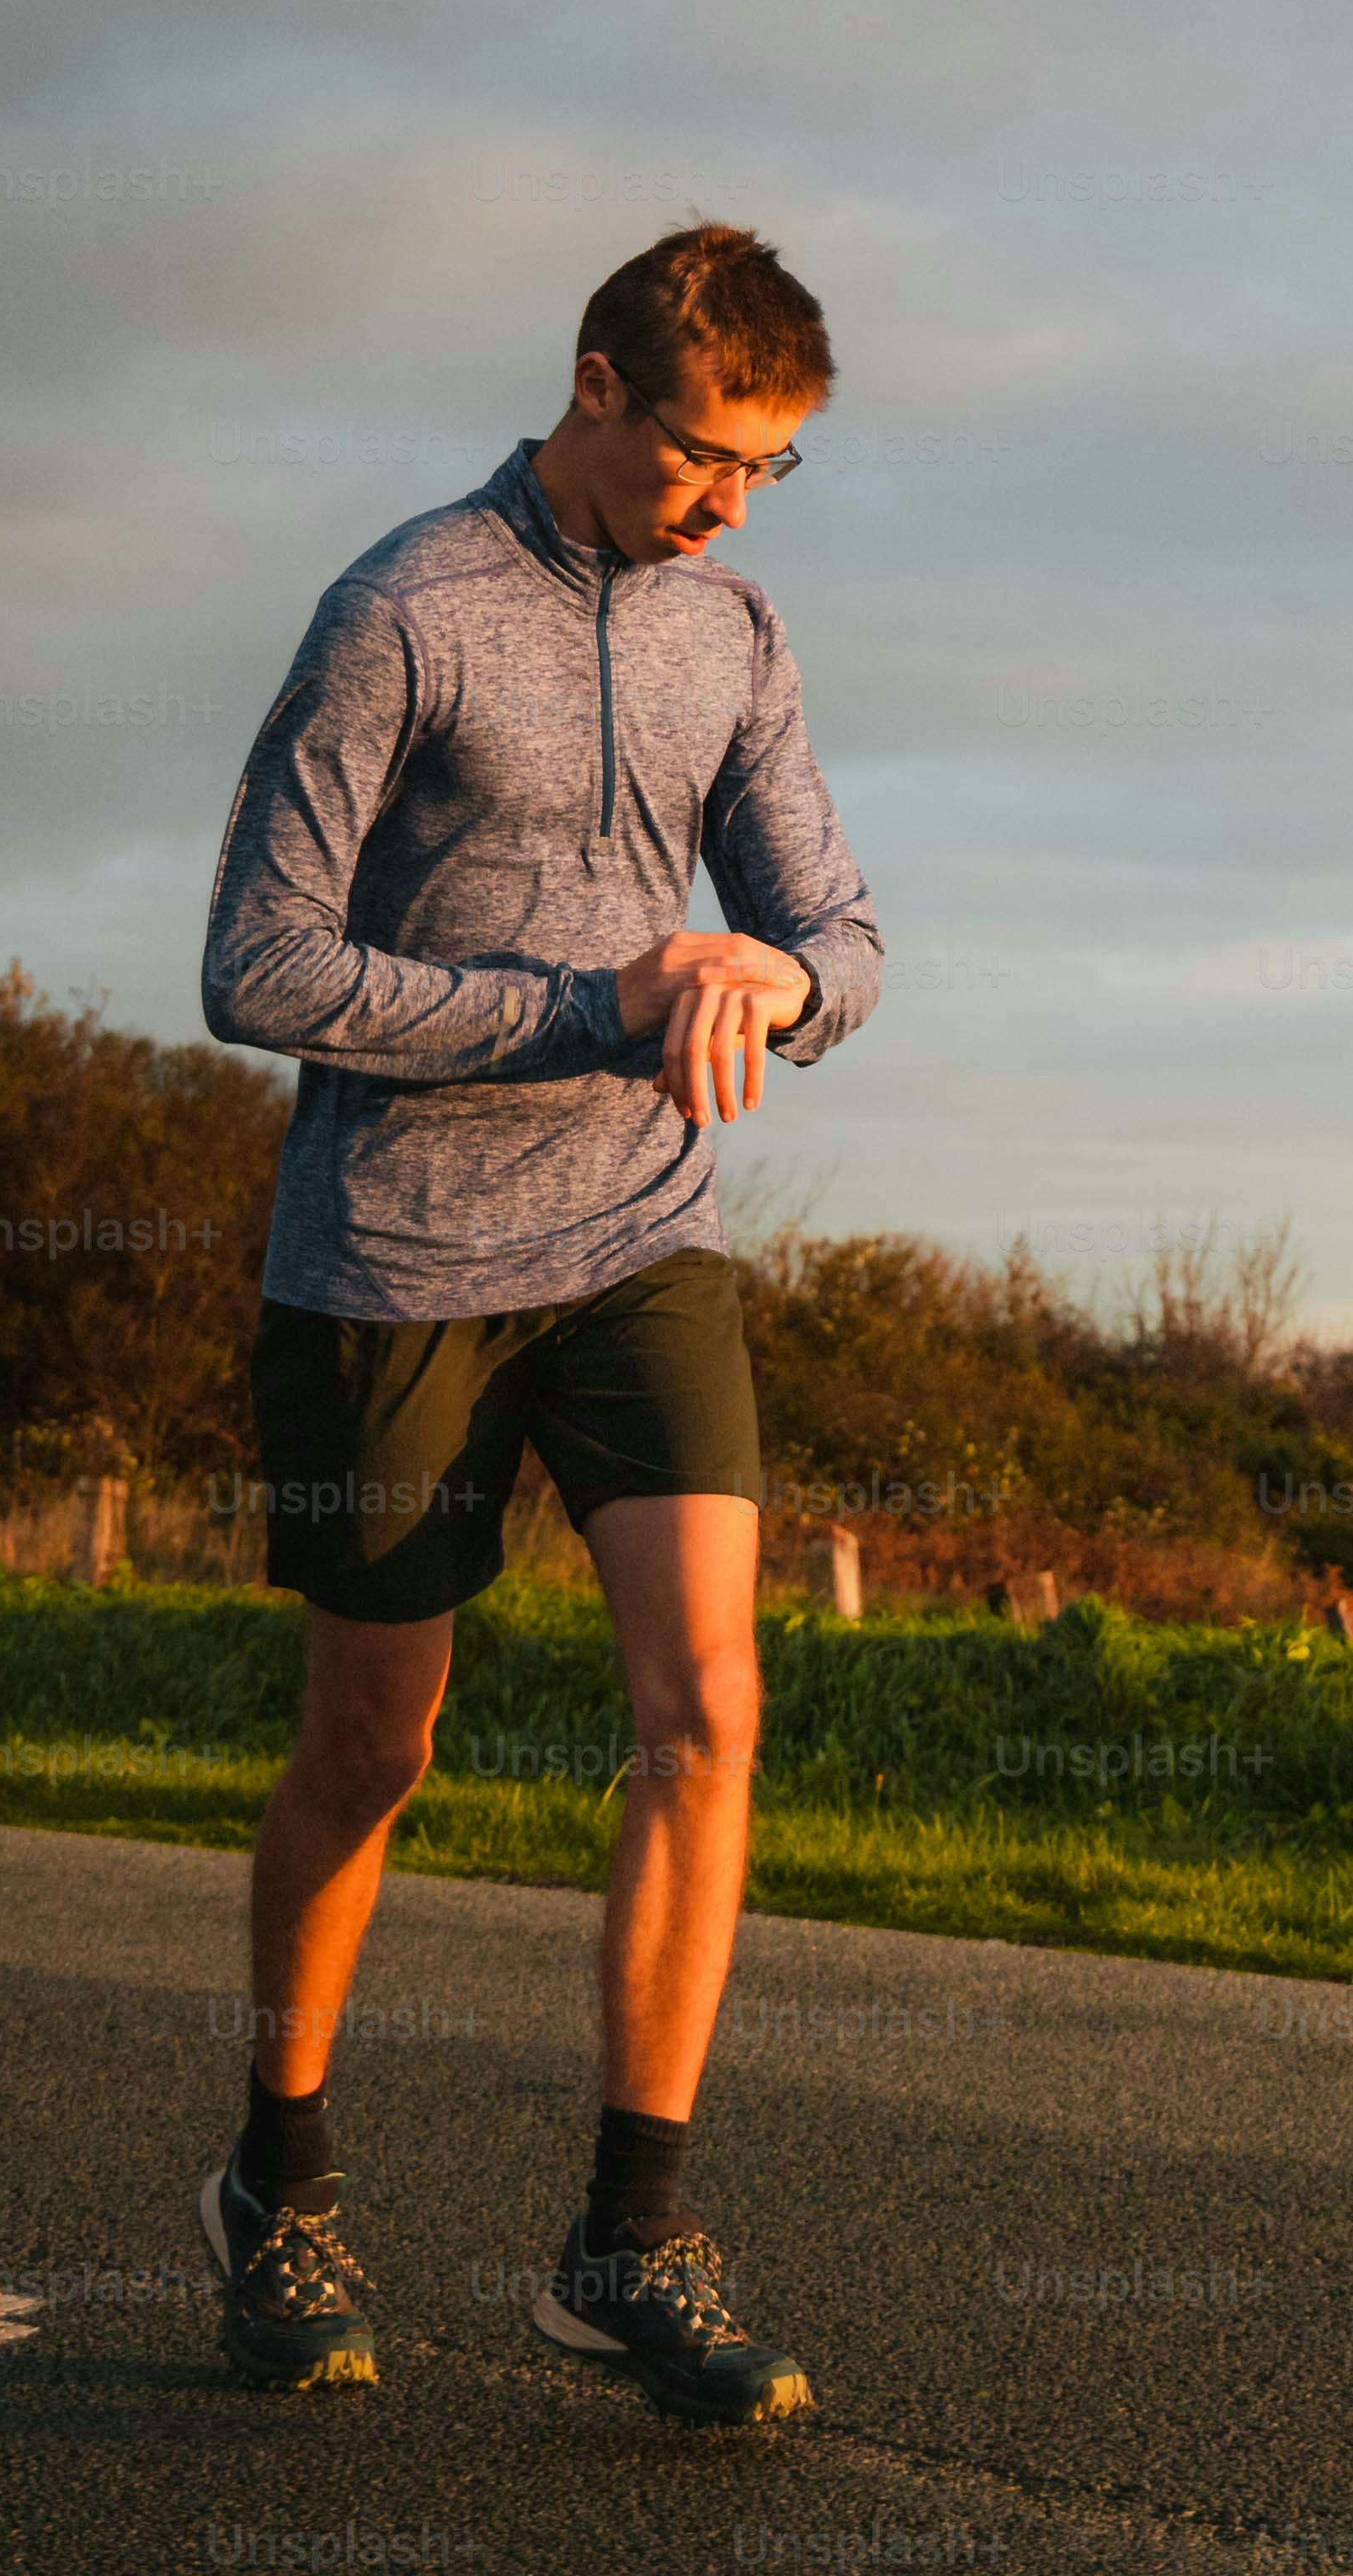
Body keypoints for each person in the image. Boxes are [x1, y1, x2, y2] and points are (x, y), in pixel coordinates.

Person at [189, 220, 879, 2419]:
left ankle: (630, 2239)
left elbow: (839, 927)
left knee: (712, 1701)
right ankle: (277, 2179)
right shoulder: (398, 613)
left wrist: (782, 979)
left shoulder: (736, 628)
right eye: (703, 455)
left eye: (772, 471)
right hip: (391, 1261)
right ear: (597, 386)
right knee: (372, 1744)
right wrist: (595, 1000)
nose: (728, 505)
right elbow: (259, 970)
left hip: (641, 1245)